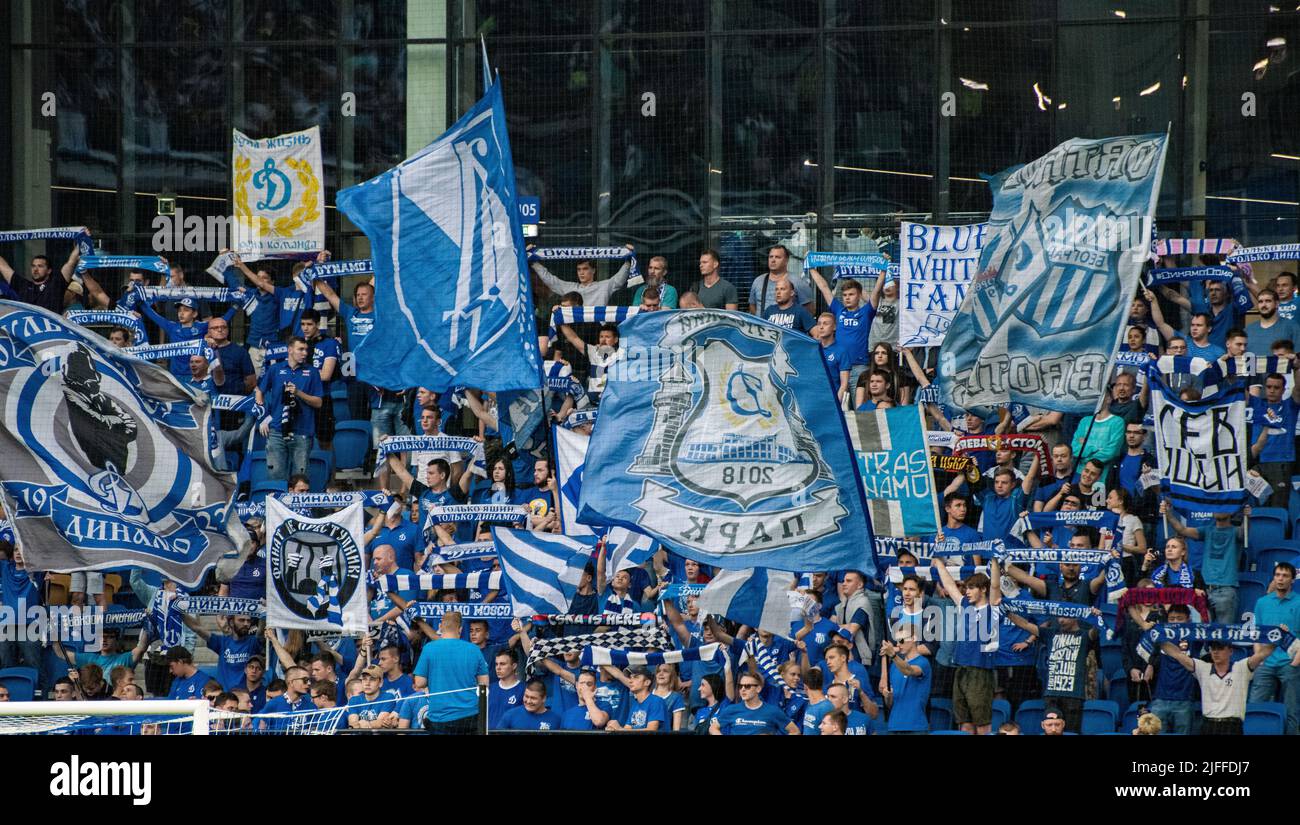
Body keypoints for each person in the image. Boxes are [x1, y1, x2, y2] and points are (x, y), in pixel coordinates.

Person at [932, 556, 1002, 734]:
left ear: (983, 590)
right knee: (964, 721)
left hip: (980, 670)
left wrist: (994, 559)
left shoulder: (992, 608)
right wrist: (940, 564)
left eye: (971, 588)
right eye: (966, 588)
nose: (967, 591)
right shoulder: (965, 605)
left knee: (982, 722)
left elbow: (995, 585)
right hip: (960, 668)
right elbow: (949, 585)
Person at [1158, 637, 1276, 735]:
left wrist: (1278, 637)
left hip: (1232, 726)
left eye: (1220, 648)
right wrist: (1157, 637)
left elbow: (1262, 654)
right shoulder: (1203, 668)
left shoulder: (1241, 667)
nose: (1215, 652)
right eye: (1213, 648)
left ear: (1230, 651)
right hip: (1208, 725)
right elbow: (1177, 654)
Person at [254, 336, 323, 481]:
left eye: (306, 350)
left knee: (300, 477)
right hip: (277, 430)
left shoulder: (312, 372)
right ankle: (277, 504)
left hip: (302, 431)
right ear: (290, 350)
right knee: (275, 475)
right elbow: (259, 391)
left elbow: (318, 402)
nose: (304, 353)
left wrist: (298, 393)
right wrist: (264, 417)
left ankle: (297, 504)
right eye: (301, 349)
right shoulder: (275, 369)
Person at [412, 610, 490, 734]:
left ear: (439, 626)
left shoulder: (429, 648)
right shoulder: (474, 649)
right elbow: (484, 684)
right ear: (460, 629)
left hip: (440, 716)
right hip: (470, 714)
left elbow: (420, 682)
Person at [1248, 561, 1300, 734]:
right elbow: (1256, 633)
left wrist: (1296, 662)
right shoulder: (1262, 602)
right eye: (1277, 575)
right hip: (1266, 662)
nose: (1280, 579)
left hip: (1289, 662)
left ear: (1292, 580)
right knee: (1255, 707)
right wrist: (1258, 659)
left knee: (1292, 710)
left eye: (1285, 576)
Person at [1248, 371, 1300, 509]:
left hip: (1281, 461)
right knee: (1255, 508)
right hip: (1256, 463)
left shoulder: (1290, 406)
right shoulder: (1257, 404)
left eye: (1276, 388)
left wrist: (1297, 367)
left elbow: (1298, 388)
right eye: (1269, 386)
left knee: (1278, 506)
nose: (1272, 390)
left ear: (1284, 390)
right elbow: (1237, 391)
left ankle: (1280, 530)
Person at [880, 625, 932, 734]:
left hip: (916, 726)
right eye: (897, 641)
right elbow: (890, 704)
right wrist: (888, 696)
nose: (898, 644)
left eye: (902, 640)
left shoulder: (923, 662)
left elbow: (909, 671)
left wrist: (893, 655)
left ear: (913, 638)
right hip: (894, 726)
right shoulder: (894, 666)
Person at [709, 674, 800, 735]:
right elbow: (713, 728)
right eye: (740, 686)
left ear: (758, 689)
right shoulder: (732, 709)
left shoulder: (773, 711)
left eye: (747, 686)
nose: (743, 689)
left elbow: (795, 731)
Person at [748, 245, 813, 316]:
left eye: (777, 257)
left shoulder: (797, 282)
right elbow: (752, 306)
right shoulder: (758, 281)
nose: (773, 260)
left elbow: (809, 310)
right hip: (762, 325)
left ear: (786, 260)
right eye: (771, 257)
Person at [605, 665, 668, 732]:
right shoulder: (635, 703)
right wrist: (614, 728)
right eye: (630, 677)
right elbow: (627, 729)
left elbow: (651, 730)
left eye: (636, 677)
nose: (630, 681)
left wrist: (620, 729)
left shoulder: (656, 701)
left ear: (647, 682)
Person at [496, 679, 564, 731]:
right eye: (526, 696)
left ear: (544, 698)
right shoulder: (510, 715)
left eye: (533, 698)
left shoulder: (555, 720)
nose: (528, 701)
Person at [488, 649, 525, 728]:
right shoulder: (488, 689)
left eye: (502, 664)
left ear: (514, 666)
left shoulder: (524, 690)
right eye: (496, 664)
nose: (498, 668)